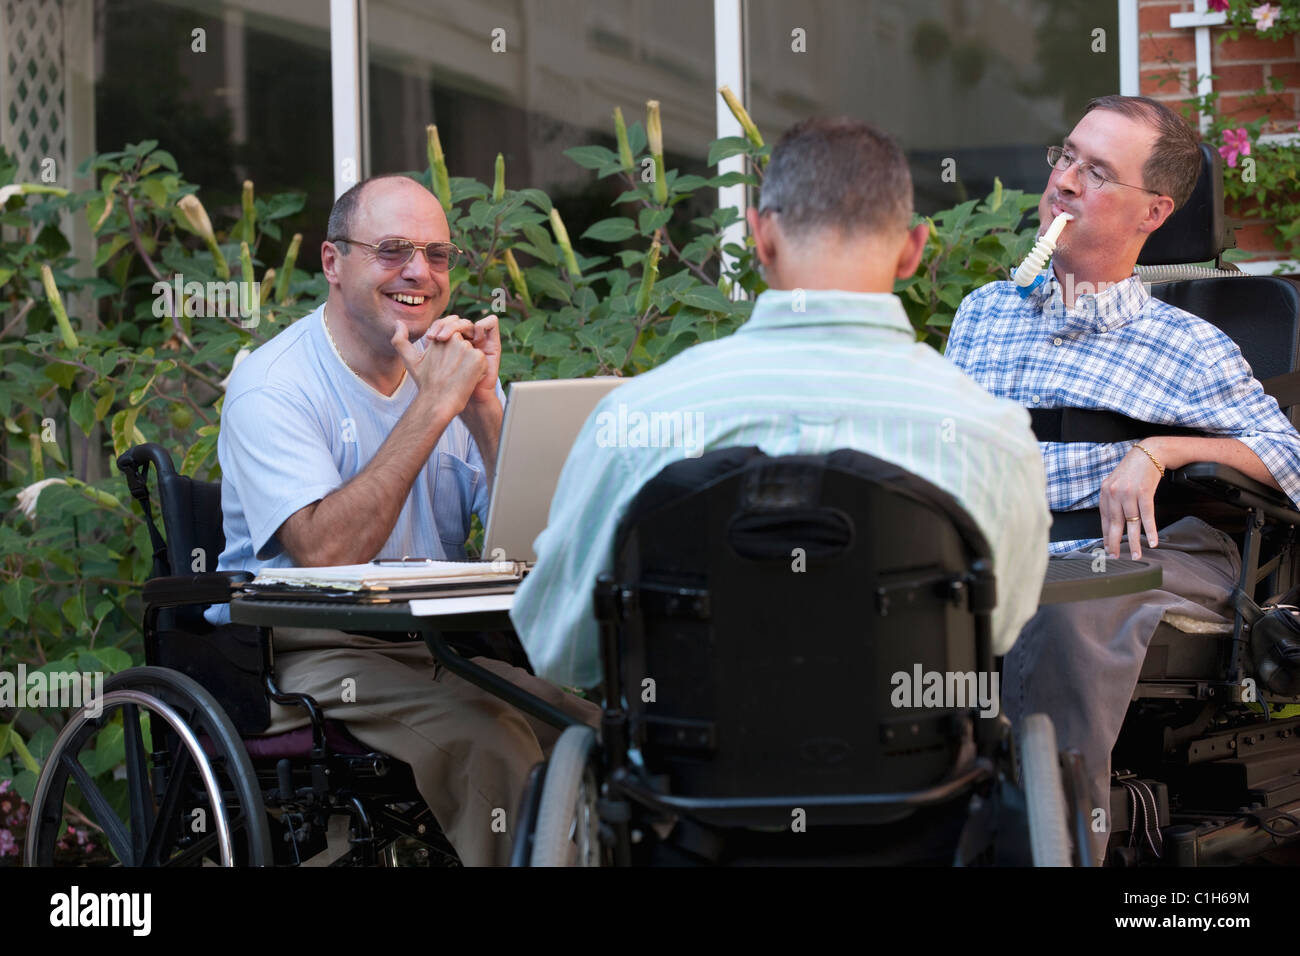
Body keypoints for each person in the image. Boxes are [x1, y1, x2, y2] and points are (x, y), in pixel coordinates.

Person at [511, 116, 1051, 694]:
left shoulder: (641, 417)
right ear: (913, 249)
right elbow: (995, 632)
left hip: (688, 775)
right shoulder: (991, 433)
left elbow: (561, 649)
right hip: (914, 768)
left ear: (760, 238)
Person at [944, 94, 1300, 863]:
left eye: (1097, 171)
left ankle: (1060, 850)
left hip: (1136, 550)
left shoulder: (1187, 345)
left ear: (1153, 212)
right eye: (1066, 157)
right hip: (1006, 545)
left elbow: (1292, 459)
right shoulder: (983, 314)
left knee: (1066, 605)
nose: (1066, 181)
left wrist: (1162, 449)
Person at [208, 173, 597, 866]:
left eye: (437, 254)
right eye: (392, 250)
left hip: (428, 644)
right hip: (307, 652)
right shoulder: (273, 386)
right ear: (333, 262)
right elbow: (325, 552)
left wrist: (482, 411)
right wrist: (433, 408)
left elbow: (546, 539)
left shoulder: (451, 374)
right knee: (497, 748)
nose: (419, 271)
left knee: (593, 733)